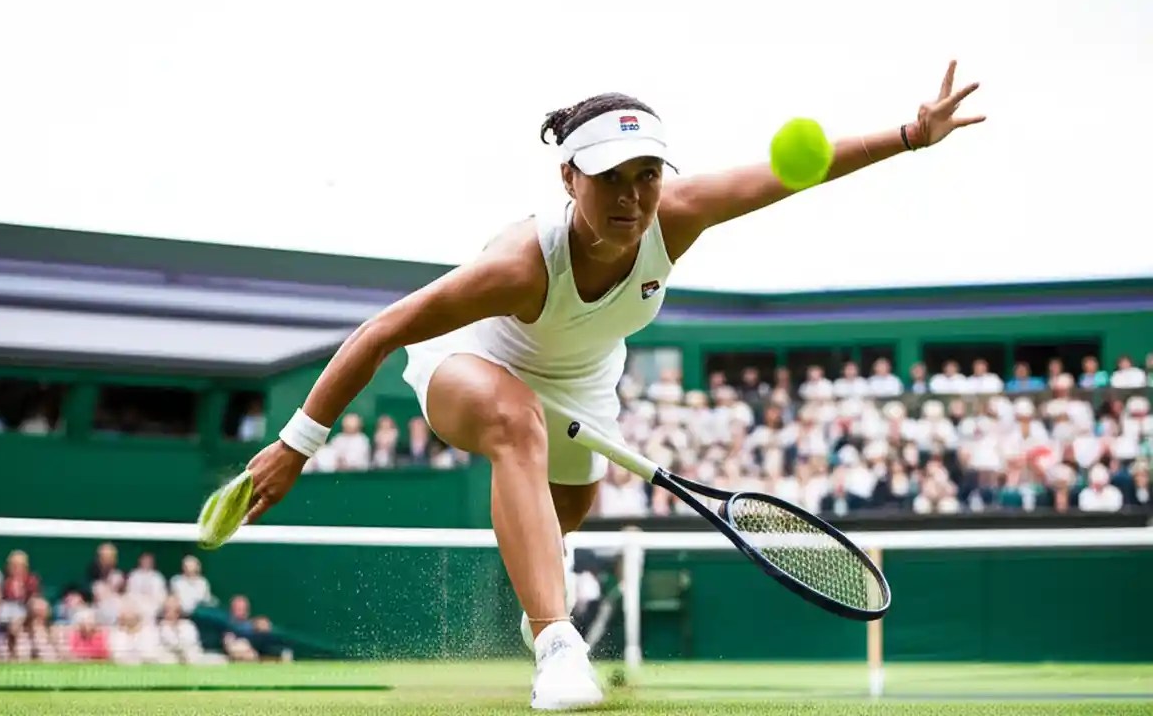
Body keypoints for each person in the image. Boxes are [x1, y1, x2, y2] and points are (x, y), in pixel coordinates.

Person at [241, 61, 984, 710]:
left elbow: (794, 171)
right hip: (468, 362)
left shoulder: (677, 215)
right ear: (568, 177)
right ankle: (558, 650)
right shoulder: (520, 263)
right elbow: (379, 331)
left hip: (586, 383)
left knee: (574, 505)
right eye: (609, 179)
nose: (631, 198)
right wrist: (295, 443)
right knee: (516, 423)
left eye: (647, 176)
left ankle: (544, 589)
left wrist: (911, 134)